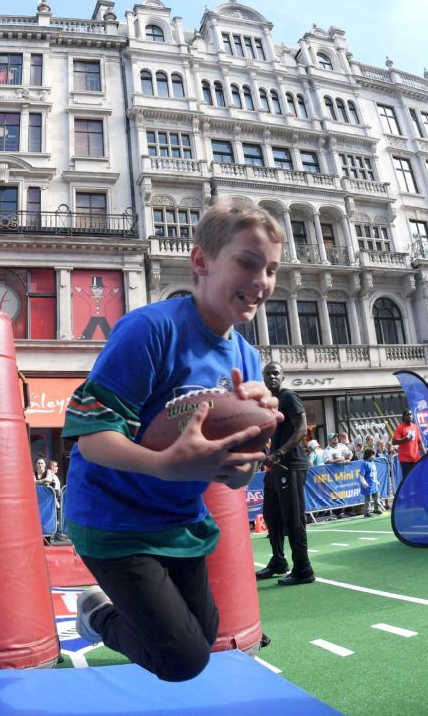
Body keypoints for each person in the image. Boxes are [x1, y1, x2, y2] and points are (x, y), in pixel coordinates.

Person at [63, 197, 283, 683]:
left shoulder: (246, 359)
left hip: (178, 519)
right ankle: (99, 616)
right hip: (111, 518)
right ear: (201, 261)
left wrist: (254, 441)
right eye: (247, 262)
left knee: (203, 635)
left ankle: (114, 618)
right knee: (183, 660)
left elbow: (235, 475)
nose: (261, 281)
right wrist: (164, 465)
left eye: (270, 269)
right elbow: (89, 437)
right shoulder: (149, 329)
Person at [255, 361, 313, 586]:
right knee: (271, 516)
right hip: (275, 468)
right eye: (268, 374)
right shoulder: (269, 403)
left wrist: (279, 453)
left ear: (282, 376)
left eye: (276, 373)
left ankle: (304, 569)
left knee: (294, 519)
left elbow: (301, 429)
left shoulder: (289, 397)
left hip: (292, 465)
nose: (272, 377)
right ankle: (279, 561)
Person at [391, 409, 424, 484]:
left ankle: (417, 494)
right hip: (405, 459)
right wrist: (405, 439)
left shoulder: (415, 427)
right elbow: (393, 441)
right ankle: (407, 495)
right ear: (403, 417)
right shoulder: (400, 428)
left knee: (417, 478)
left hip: (416, 458)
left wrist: (425, 453)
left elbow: (419, 442)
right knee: (407, 481)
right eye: (407, 415)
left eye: (410, 414)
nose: (409, 416)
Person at [357, 448, 382, 517]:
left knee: (377, 496)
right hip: (368, 485)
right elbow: (361, 475)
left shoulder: (373, 463)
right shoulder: (365, 464)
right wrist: (364, 482)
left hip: (374, 484)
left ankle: (376, 509)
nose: (374, 456)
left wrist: (376, 481)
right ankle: (367, 511)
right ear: (368, 455)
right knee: (368, 498)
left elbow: (374, 474)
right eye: (373, 455)